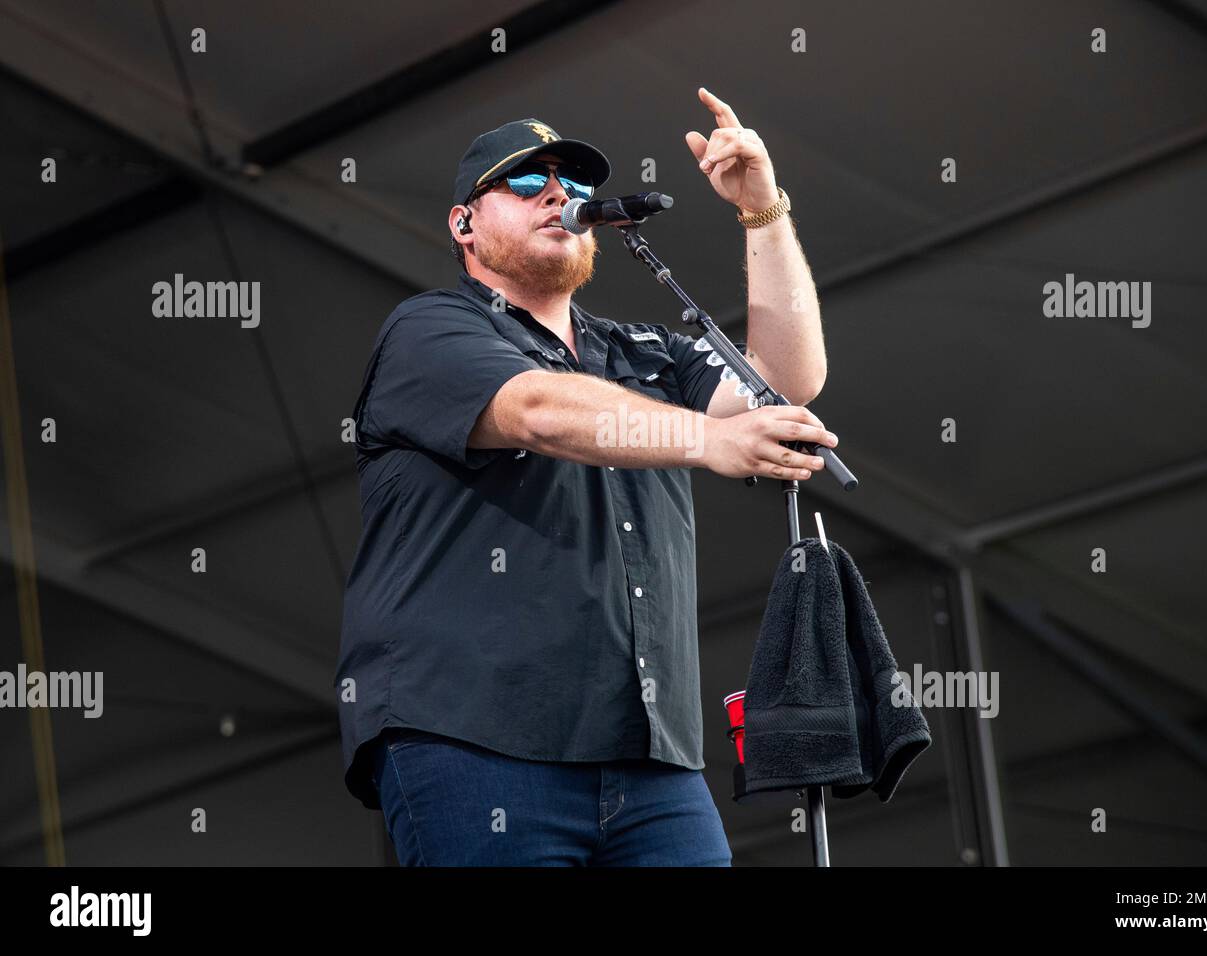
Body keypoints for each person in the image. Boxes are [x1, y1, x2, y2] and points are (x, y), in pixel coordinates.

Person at [335, 90, 835, 866]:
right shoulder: (429, 329)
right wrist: (707, 438)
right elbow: (533, 408)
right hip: (475, 740)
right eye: (527, 182)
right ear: (464, 223)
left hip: (650, 760)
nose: (558, 194)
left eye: (569, 182)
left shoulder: (642, 350)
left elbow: (784, 379)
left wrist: (763, 212)